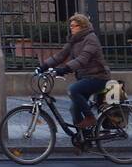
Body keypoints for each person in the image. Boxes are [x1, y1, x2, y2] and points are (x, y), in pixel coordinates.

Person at [40, 13, 110, 144]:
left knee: (73, 89)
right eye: (70, 26)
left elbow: (82, 59)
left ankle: (90, 117)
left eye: (74, 26)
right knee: (74, 108)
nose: (71, 28)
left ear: (82, 26)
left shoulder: (91, 39)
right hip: (85, 78)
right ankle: (83, 139)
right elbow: (60, 56)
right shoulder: (74, 40)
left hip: (98, 77)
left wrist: (64, 69)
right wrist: (43, 67)